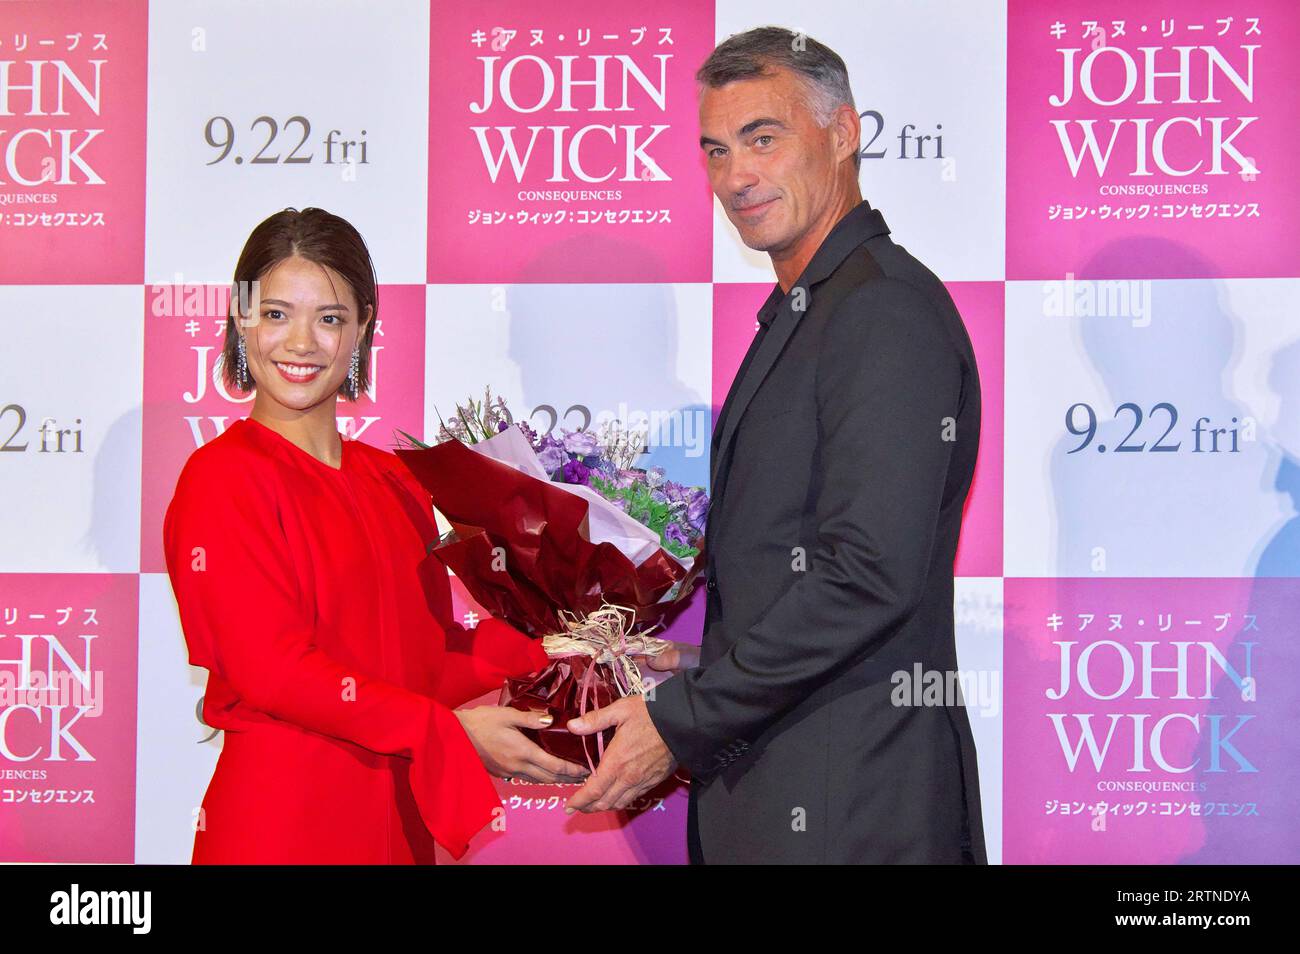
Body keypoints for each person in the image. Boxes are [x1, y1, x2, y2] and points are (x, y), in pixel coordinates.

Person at [565, 27, 988, 863]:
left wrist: (679, 720)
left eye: (763, 139)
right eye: (716, 151)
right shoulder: (809, 312)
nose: (735, 178)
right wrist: (676, 654)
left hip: (853, 805)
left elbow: (869, 573)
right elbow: (797, 566)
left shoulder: (882, 310)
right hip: (791, 791)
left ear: (843, 133)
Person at [163, 207, 587, 864]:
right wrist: (444, 733)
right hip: (282, 827)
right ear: (240, 321)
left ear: (363, 327)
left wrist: (561, 650)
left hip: (397, 823)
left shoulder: (395, 480)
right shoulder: (220, 478)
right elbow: (272, 671)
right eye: (276, 314)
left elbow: (420, 655)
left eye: (329, 318)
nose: (301, 342)